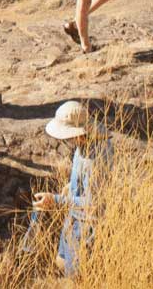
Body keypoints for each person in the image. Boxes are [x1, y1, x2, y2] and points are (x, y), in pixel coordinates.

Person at [30, 100, 111, 276]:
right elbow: (83, 181)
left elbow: (94, 201)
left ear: (78, 134)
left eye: (67, 137)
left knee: (74, 275)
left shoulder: (95, 159)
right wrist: (69, 187)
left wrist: (56, 200)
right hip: (73, 217)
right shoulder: (84, 143)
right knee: (61, 261)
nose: (66, 141)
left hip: (86, 225)